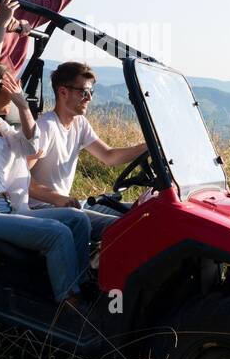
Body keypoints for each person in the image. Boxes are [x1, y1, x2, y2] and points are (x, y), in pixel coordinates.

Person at [0, 0, 93, 309]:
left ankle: (79, 284)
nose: (16, 91)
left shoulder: (3, 128)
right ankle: (70, 303)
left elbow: (33, 146)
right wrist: (1, 25)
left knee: (78, 221)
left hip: (11, 208)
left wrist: (24, 107)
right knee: (57, 233)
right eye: (11, 87)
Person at [28, 61, 148, 242]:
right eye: (84, 92)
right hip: (42, 208)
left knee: (141, 213)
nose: (89, 98)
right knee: (124, 228)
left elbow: (109, 156)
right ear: (63, 92)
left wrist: (148, 147)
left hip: (68, 204)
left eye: (91, 92)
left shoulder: (79, 123)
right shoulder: (46, 127)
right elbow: (18, 177)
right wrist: (57, 198)